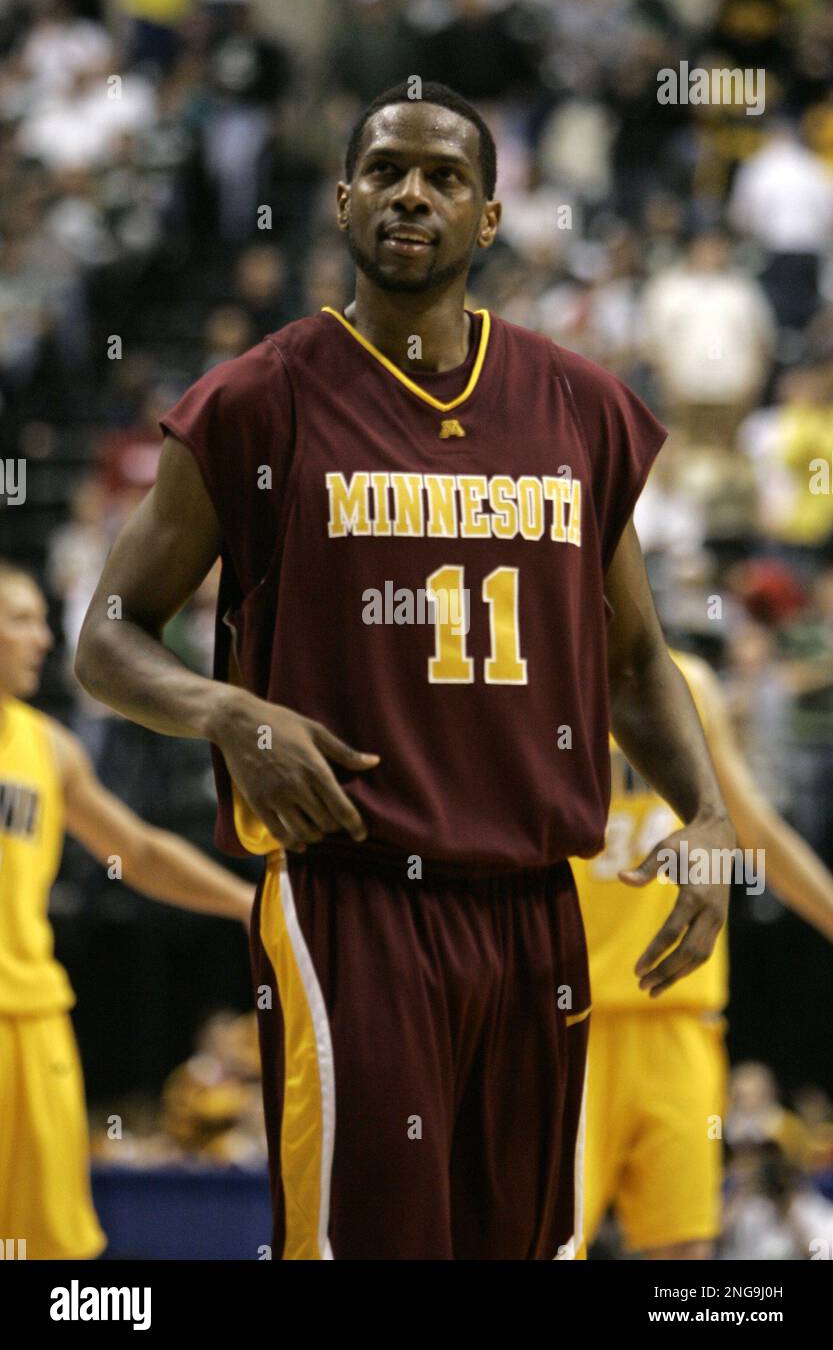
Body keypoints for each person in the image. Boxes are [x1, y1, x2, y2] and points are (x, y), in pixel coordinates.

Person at [76, 80, 736, 1261]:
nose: (410, 196)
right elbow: (108, 637)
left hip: (538, 906)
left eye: (443, 177)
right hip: (352, 898)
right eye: (384, 172)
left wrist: (713, 816)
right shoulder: (256, 399)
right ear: (341, 202)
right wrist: (228, 710)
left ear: (488, 218)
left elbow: (633, 662)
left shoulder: (576, 406)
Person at [0, 561, 255, 1258]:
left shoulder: (47, 748)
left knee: (49, 1241)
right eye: (20, 620)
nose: (43, 640)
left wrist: (247, 902)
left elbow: (135, 852)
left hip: (31, 1022)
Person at [576, 648, 833, 1260]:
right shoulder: (531, 674)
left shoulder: (686, 683)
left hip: (680, 1016)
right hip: (566, 1018)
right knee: (546, 1241)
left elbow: (753, 832)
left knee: (685, 1254)